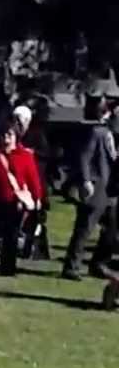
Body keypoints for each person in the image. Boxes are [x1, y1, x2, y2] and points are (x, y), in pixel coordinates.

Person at [0, 121, 41, 276]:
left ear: (16, 137)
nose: (6, 138)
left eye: (9, 135)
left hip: (14, 203)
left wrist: (37, 198)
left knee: (11, 236)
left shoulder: (25, 156)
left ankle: (7, 268)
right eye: (3, 135)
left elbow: (33, 179)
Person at [62, 97, 117, 281]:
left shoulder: (111, 135)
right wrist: (86, 181)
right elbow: (85, 157)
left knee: (111, 228)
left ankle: (99, 263)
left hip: (110, 188)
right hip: (97, 184)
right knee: (85, 227)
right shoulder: (96, 132)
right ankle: (71, 266)